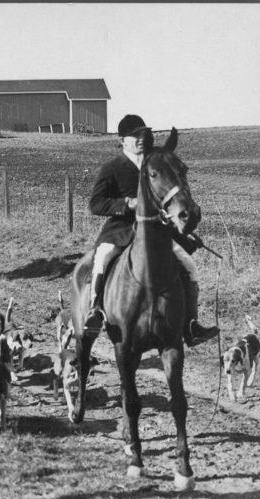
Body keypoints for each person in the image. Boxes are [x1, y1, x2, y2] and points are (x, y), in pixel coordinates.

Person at [83, 114, 218, 346]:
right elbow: (96, 204)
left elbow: (167, 198)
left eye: (143, 134)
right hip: (121, 229)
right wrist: (126, 203)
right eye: (135, 135)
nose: (141, 139)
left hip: (156, 230)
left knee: (188, 264)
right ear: (122, 140)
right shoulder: (112, 168)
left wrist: (179, 224)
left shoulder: (155, 163)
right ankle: (96, 311)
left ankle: (191, 324)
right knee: (103, 258)